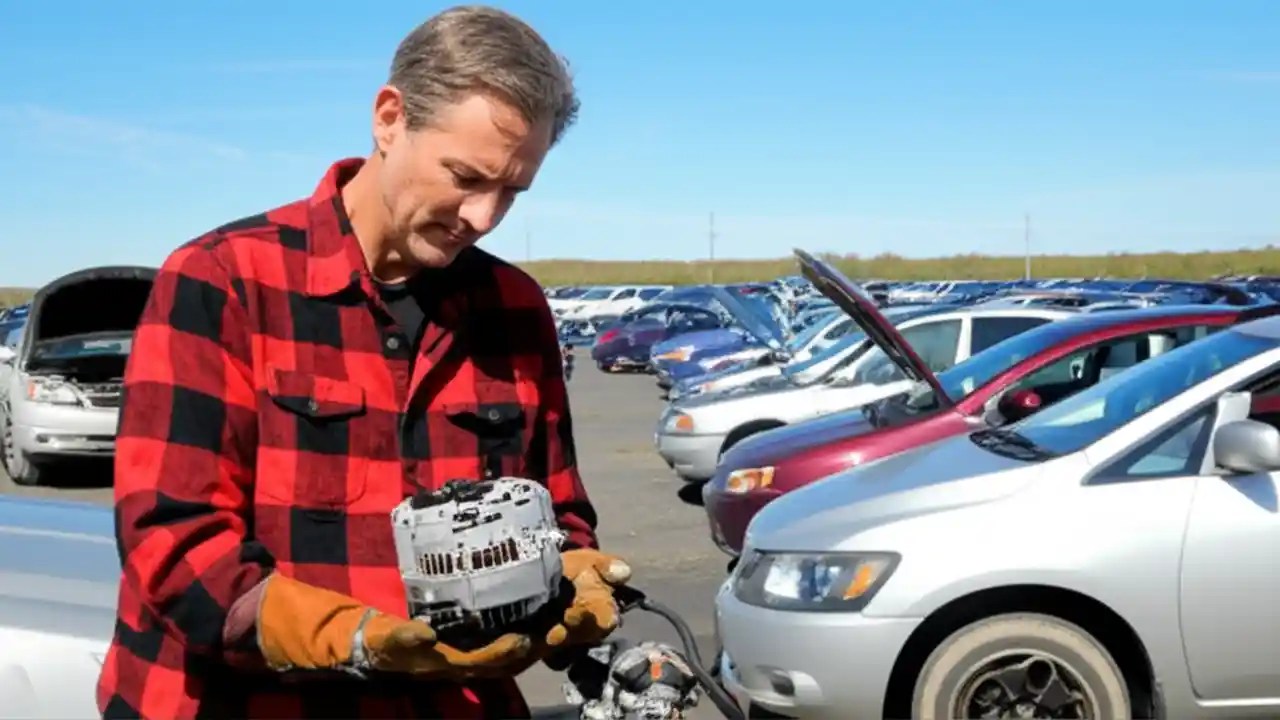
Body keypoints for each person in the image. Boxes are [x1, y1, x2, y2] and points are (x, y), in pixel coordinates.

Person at [96, 6, 631, 718]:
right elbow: (173, 542)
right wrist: (347, 637)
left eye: (512, 191)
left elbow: (555, 513)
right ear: (389, 119)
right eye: (466, 176)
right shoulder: (224, 282)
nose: (483, 216)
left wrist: (571, 579)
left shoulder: (515, 308)